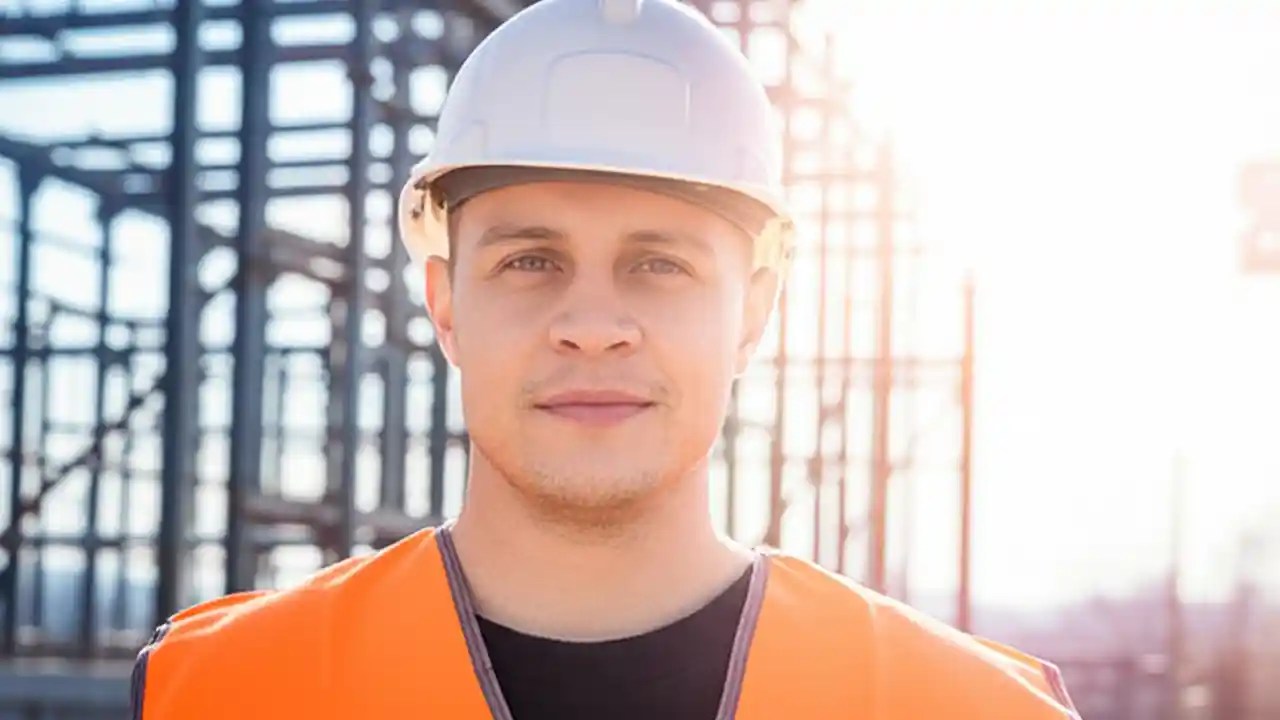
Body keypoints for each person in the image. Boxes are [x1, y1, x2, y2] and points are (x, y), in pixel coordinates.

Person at [130, 0, 1081, 718]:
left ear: (753, 313)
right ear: (447, 304)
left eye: (660, 264)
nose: (591, 325)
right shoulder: (220, 691)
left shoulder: (968, 707)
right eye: (530, 260)